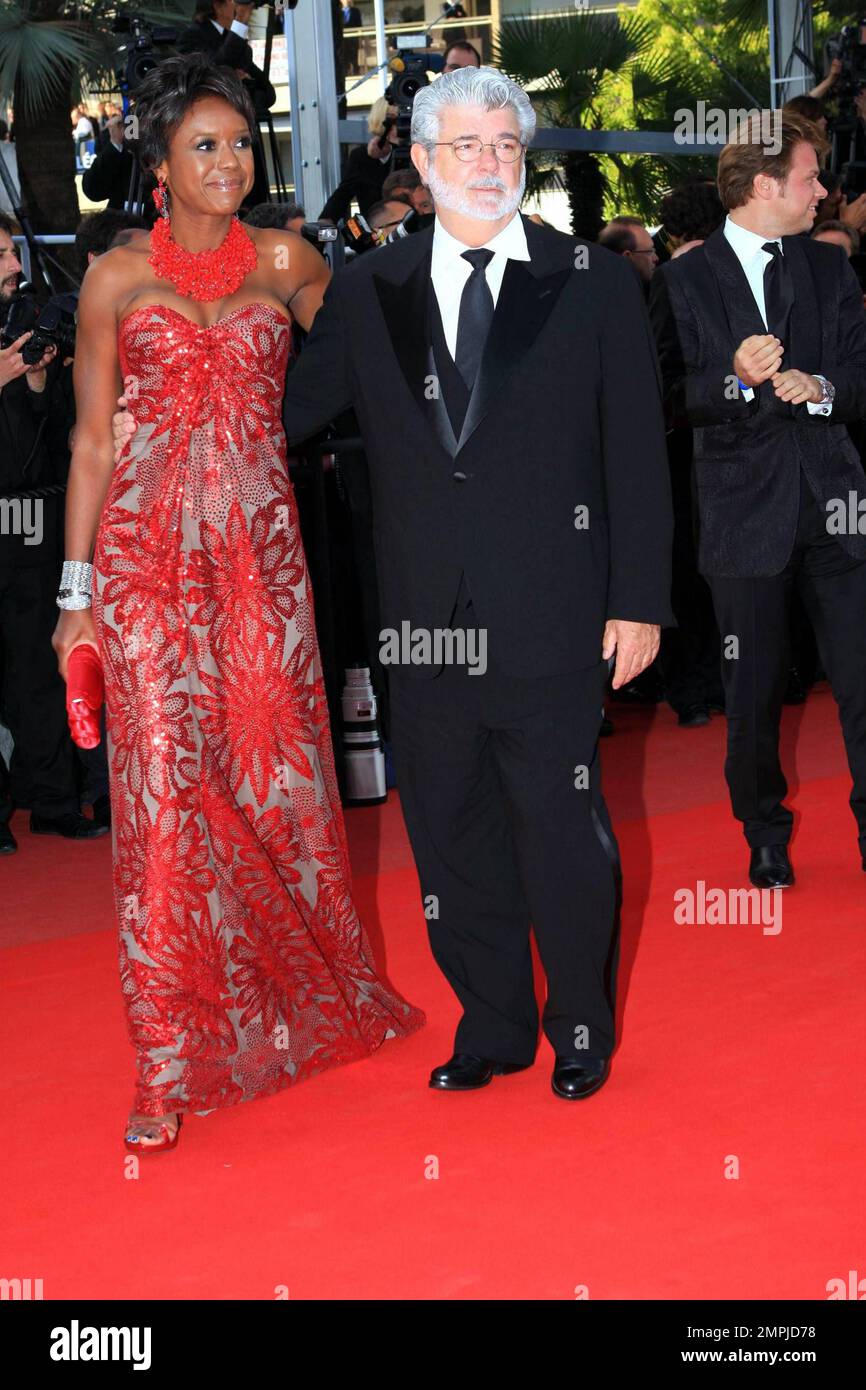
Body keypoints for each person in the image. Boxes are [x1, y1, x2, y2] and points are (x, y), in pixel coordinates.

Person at [119, 66, 674, 1101]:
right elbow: (281, 415)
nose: (487, 166)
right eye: (464, 147)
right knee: (449, 834)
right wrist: (148, 435)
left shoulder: (591, 281)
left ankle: (581, 1026)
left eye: (504, 146)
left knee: (561, 828)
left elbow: (636, 455)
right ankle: (495, 1025)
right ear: (419, 162)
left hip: (554, 609)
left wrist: (636, 598)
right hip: (421, 623)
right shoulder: (371, 289)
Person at [54, 55, 424, 1154]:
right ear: (159, 167)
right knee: (167, 802)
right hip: (143, 567)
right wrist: (75, 600)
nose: (230, 161)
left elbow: (372, 368)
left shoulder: (288, 258)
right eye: (203, 146)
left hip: (262, 565)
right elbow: (92, 441)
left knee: (276, 786)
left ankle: (298, 1001)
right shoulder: (115, 280)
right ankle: (169, 1059)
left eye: (239, 141)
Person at [649, 110, 866, 889]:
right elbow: (662, 398)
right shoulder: (682, 280)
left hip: (840, 510)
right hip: (743, 516)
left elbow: (862, 381)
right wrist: (733, 380)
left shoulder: (832, 270)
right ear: (767, 184)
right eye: (811, 178)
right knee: (753, 689)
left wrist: (826, 388)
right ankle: (763, 832)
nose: (823, 192)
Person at [0, 216, 105, 853]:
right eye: (0, 254)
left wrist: (37, 381)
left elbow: (63, 431)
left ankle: (53, 800)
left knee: (40, 664)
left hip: (30, 517)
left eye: (11, 251)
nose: (12, 264)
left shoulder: (28, 327)